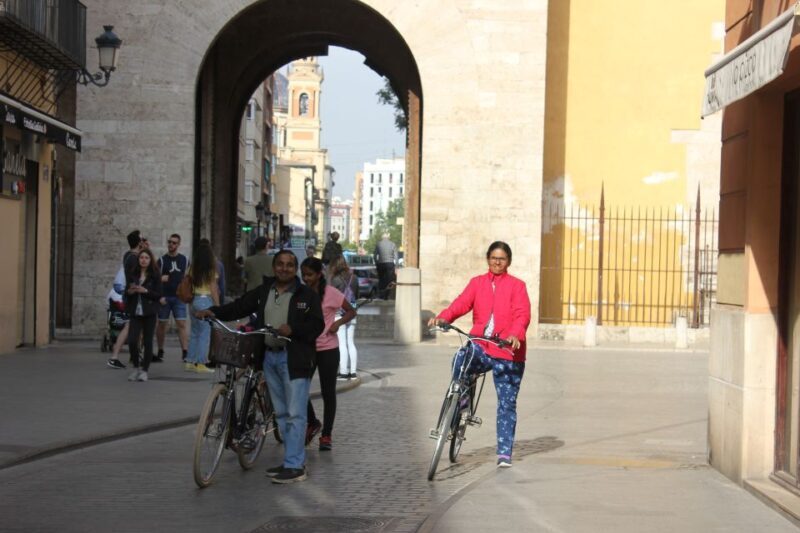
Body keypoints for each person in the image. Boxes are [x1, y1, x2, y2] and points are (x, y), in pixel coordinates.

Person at [196, 250, 324, 483]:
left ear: (294, 269)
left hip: (295, 359)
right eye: (280, 264)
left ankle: (296, 466)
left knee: (296, 414)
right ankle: (291, 461)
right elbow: (239, 307)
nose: (284, 269)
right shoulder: (265, 291)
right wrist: (213, 312)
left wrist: (292, 330)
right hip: (270, 358)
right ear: (274, 267)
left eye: (289, 265)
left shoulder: (306, 295)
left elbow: (317, 326)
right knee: (282, 414)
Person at [427, 241, 531, 468]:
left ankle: (504, 452)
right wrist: (444, 317)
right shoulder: (478, 283)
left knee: (507, 403)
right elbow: (461, 303)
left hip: (507, 351)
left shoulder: (517, 286)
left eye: (501, 259)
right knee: (460, 359)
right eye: (493, 258)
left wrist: (515, 334)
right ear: (487, 259)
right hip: (481, 346)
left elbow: (522, 314)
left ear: (508, 262)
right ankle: (461, 399)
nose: (497, 262)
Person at [300, 257, 356, 451]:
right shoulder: (300, 293)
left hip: (328, 349)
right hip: (306, 348)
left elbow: (351, 311)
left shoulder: (331, 293)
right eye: (303, 274)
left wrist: (337, 324)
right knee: (298, 388)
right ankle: (312, 422)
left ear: (318, 275)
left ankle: (326, 435)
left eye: (309, 274)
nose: (305, 278)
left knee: (328, 392)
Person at [107, 230, 144, 369]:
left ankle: (131, 355)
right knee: (130, 326)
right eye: (142, 238)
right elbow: (136, 278)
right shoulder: (134, 258)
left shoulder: (129, 255)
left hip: (131, 295)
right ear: (139, 241)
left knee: (134, 326)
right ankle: (115, 357)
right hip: (133, 296)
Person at [125, 248, 163, 382]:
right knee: (132, 340)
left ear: (150, 260)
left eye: (146, 258)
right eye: (141, 257)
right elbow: (126, 292)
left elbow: (158, 295)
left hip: (149, 312)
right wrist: (130, 292)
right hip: (135, 311)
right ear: (138, 259)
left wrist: (145, 290)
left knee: (147, 341)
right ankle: (136, 367)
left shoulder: (155, 275)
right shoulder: (132, 274)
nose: (144, 260)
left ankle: (144, 370)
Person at [185, 241, 219, 373]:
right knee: (205, 333)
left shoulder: (193, 267)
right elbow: (214, 288)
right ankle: (201, 363)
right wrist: (217, 306)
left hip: (193, 301)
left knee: (194, 332)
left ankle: (190, 361)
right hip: (205, 300)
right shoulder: (210, 269)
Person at [156, 233, 189, 362]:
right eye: (169, 242)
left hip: (179, 297)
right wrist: (160, 281)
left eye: (174, 243)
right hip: (165, 297)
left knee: (181, 324)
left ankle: (185, 352)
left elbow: (189, 276)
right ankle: (160, 350)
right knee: (162, 324)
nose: (171, 244)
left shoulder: (185, 260)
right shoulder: (162, 260)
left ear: (178, 245)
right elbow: (153, 279)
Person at [328, 255, 359, 380]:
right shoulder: (354, 278)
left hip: (339, 314)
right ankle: (353, 372)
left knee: (342, 344)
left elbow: (330, 297)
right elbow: (357, 294)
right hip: (352, 312)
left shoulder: (334, 279)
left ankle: (343, 372)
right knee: (351, 342)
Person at [373, 232, 397, 297]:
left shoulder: (378, 244)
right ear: (389, 238)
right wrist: (396, 267)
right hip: (390, 264)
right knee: (389, 281)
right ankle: (387, 295)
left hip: (381, 264)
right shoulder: (393, 244)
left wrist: (376, 264)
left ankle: (381, 295)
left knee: (381, 280)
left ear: (382, 238)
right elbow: (396, 257)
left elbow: (375, 256)